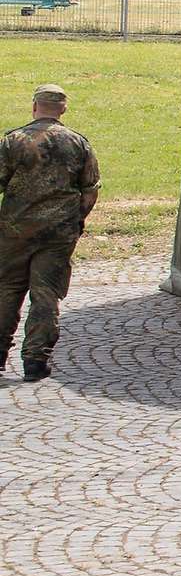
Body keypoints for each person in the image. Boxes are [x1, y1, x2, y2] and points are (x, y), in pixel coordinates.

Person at [1, 83, 100, 384]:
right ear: (63, 109)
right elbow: (90, 189)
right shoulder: (77, 143)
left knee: (6, 291)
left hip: (15, 231)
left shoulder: (12, 141)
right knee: (46, 294)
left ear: (34, 107)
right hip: (58, 234)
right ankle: (35, 360)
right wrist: (75, 220)